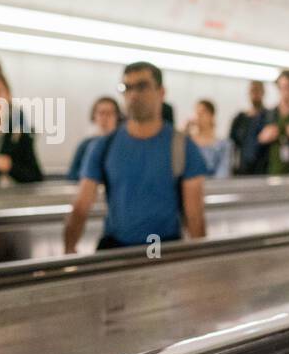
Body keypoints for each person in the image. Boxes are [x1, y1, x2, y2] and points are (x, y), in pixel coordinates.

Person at [64, 61, 207, 252]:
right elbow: (81, 207)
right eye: (127, 88)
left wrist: (200, 262)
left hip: (162, 248)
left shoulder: (182, 146)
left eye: (142, 86)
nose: (133, 95)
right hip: (116, 247)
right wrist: (68, 251)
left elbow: (194, 215)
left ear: (161, 92)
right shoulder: (104, 146)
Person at [67, 97, 123, 181]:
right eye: (101, 113)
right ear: (94, 116)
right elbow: (73, 175)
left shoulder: (124, 144)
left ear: (117, 116)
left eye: (109, 113)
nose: (105, 118)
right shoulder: (85, 145)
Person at [227, 80, 267, 176]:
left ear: (263, 93)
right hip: (242, 169)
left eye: (257, 91)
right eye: (252, 91)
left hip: (263, 170)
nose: (254, 94)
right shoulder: (240, 118)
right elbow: (231, 144)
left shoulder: (269, 117)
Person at [184, 99, 232, 178]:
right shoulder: (188, 143)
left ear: (211, 116)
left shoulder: (224, 145)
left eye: (203, 112)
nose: (198, 116)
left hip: (215, 187)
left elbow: (223, 172)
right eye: (197, 113)